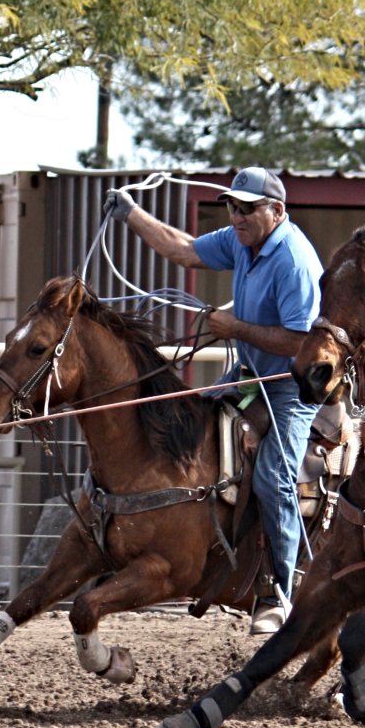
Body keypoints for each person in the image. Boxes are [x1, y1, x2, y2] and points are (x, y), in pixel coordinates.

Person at [105, 168, 322, 634]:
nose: (237, 216)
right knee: (189, 428)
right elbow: (181, 249)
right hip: (249, 375)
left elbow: (302, 343)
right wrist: (131, 214)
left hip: (292, 384)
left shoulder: (295, 261)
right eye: (232, 207)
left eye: (246, 208)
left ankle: (282, 591)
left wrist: (236, 328)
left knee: (274, 477)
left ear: (276, 211)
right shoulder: (243, 240)